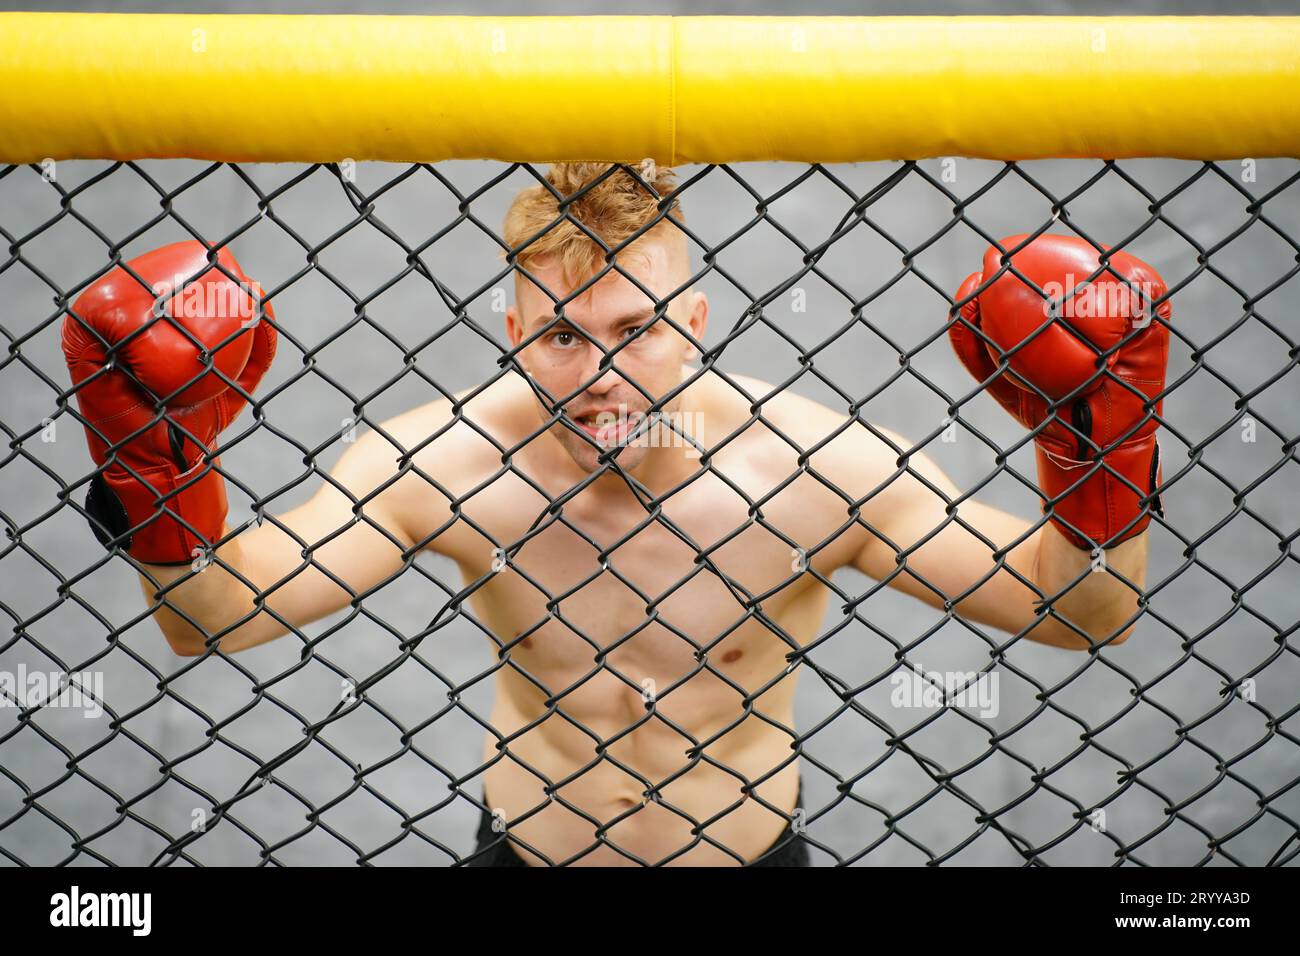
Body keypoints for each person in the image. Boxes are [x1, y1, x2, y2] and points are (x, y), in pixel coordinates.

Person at [61, 162, 1170, 867]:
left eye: (636, 328)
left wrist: (1092, 445)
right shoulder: (443, 459)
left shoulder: (810, 468)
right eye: (561, 336)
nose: (602, 372)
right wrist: (156, 460)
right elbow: (214, 616)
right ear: (510, 329)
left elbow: (1079, 613)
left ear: (692, 318)